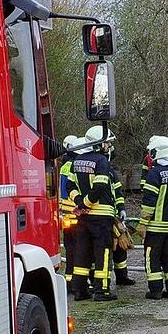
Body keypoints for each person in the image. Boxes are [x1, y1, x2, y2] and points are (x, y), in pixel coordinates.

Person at [69, 125, 119, 301]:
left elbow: (70, 186)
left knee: (82, 251)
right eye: (106, 143)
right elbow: (100, 186)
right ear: (98, 143)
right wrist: (86, 203)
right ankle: (101, 290)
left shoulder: (77, 161)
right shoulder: (101, 161)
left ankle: (80, 290)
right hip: (101, 215)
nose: (108, 147)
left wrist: (80, 203)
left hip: (84, 217)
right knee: (102, 252)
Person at [137, 136, 168, 299]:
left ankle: (155, 290)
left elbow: (149, 202)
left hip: (155, 227)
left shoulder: (155, 174)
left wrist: (143, 223)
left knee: (152, 257)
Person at [58, 135, 83, 295]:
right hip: (77, 213)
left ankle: (69, 282)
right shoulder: (76, 166)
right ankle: (78, 283)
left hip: (66, 215)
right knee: (80, 250)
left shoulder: (64, 166)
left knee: (70, 249)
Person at [107, 148, 135, 287]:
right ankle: (97, 281)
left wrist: (121, 208)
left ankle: (122, 277)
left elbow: (117, 192)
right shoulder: (98, 168)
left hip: (114, 215)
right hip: (103, 215)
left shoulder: (110, 171)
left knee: (121, 245)